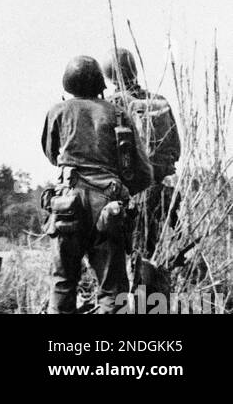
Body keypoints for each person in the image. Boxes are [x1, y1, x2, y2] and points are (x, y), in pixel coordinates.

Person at [42, 55, 152, 314]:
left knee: (63, 282)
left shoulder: (57, 111)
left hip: (67, 204)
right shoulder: (118, 114)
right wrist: (121, 189)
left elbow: (51, 153)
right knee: (113, 291)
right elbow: (143, 172)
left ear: (68, 84)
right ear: (100, 84)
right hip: (109, 205)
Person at [103, 47, 181, 259]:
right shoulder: (161, 101)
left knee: (124, 257)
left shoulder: (110, 106)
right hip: (161, 188)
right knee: (150, 253)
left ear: (109, 76)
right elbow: (176, 148)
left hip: (128, 192)